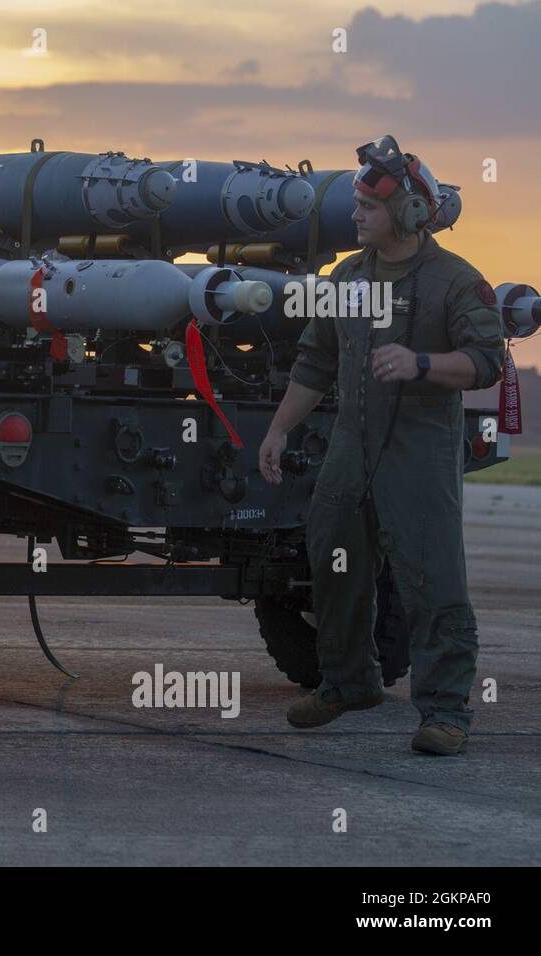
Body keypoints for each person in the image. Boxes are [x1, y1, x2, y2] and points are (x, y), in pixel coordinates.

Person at [259, 135, 505, 755]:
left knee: (431, 579)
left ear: (408, 214)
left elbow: (485, 363)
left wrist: (421, 362)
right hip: (351, 448)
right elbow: (314, 363)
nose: (355, 215)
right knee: (333, 560)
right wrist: (279, 428)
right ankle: (348, 682)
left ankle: (446, 711)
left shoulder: (456, 282)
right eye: (357, 204)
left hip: (419, 455)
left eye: (367, 207)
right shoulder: (347, 279)